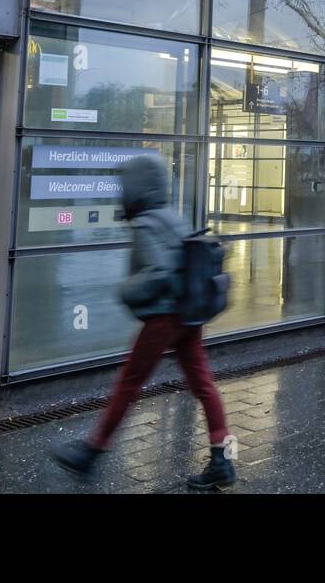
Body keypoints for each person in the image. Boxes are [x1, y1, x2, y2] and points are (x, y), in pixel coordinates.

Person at [53, 154, 235, 490]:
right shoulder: (171, 216)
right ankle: (221, 459)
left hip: (163, 317)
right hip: (188, 313)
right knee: (202, 382)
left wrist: (126, 290)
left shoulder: (145, 224)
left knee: (129, 381)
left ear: (136, 187)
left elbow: (160, 272)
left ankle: (92, 450)